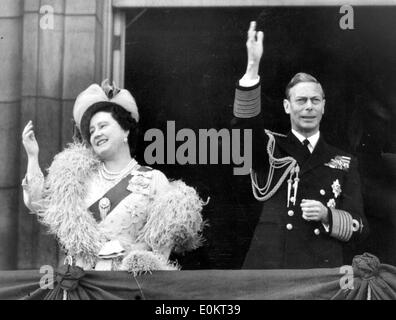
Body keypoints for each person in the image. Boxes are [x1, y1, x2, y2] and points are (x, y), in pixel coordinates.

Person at [21, 80, 205, 274]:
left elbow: (162, 247)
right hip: (80, 283)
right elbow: (39, 204)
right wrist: (33, 156)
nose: (96, 134)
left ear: (125, 130)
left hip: (127, 284)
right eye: (91, 131)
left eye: (103, 126)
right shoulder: (77, 179)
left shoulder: (154, 179)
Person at [232, 21, 369, 269]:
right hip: (271, 268)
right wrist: (252, 68)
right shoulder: (271, 147)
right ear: (287, 107)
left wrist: (328, 216)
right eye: (301, 100)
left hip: (319, 271)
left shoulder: (345, 161)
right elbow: (245, 127)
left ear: (323, 107)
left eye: (315, 100)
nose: (308, 106)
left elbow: (361, 226)